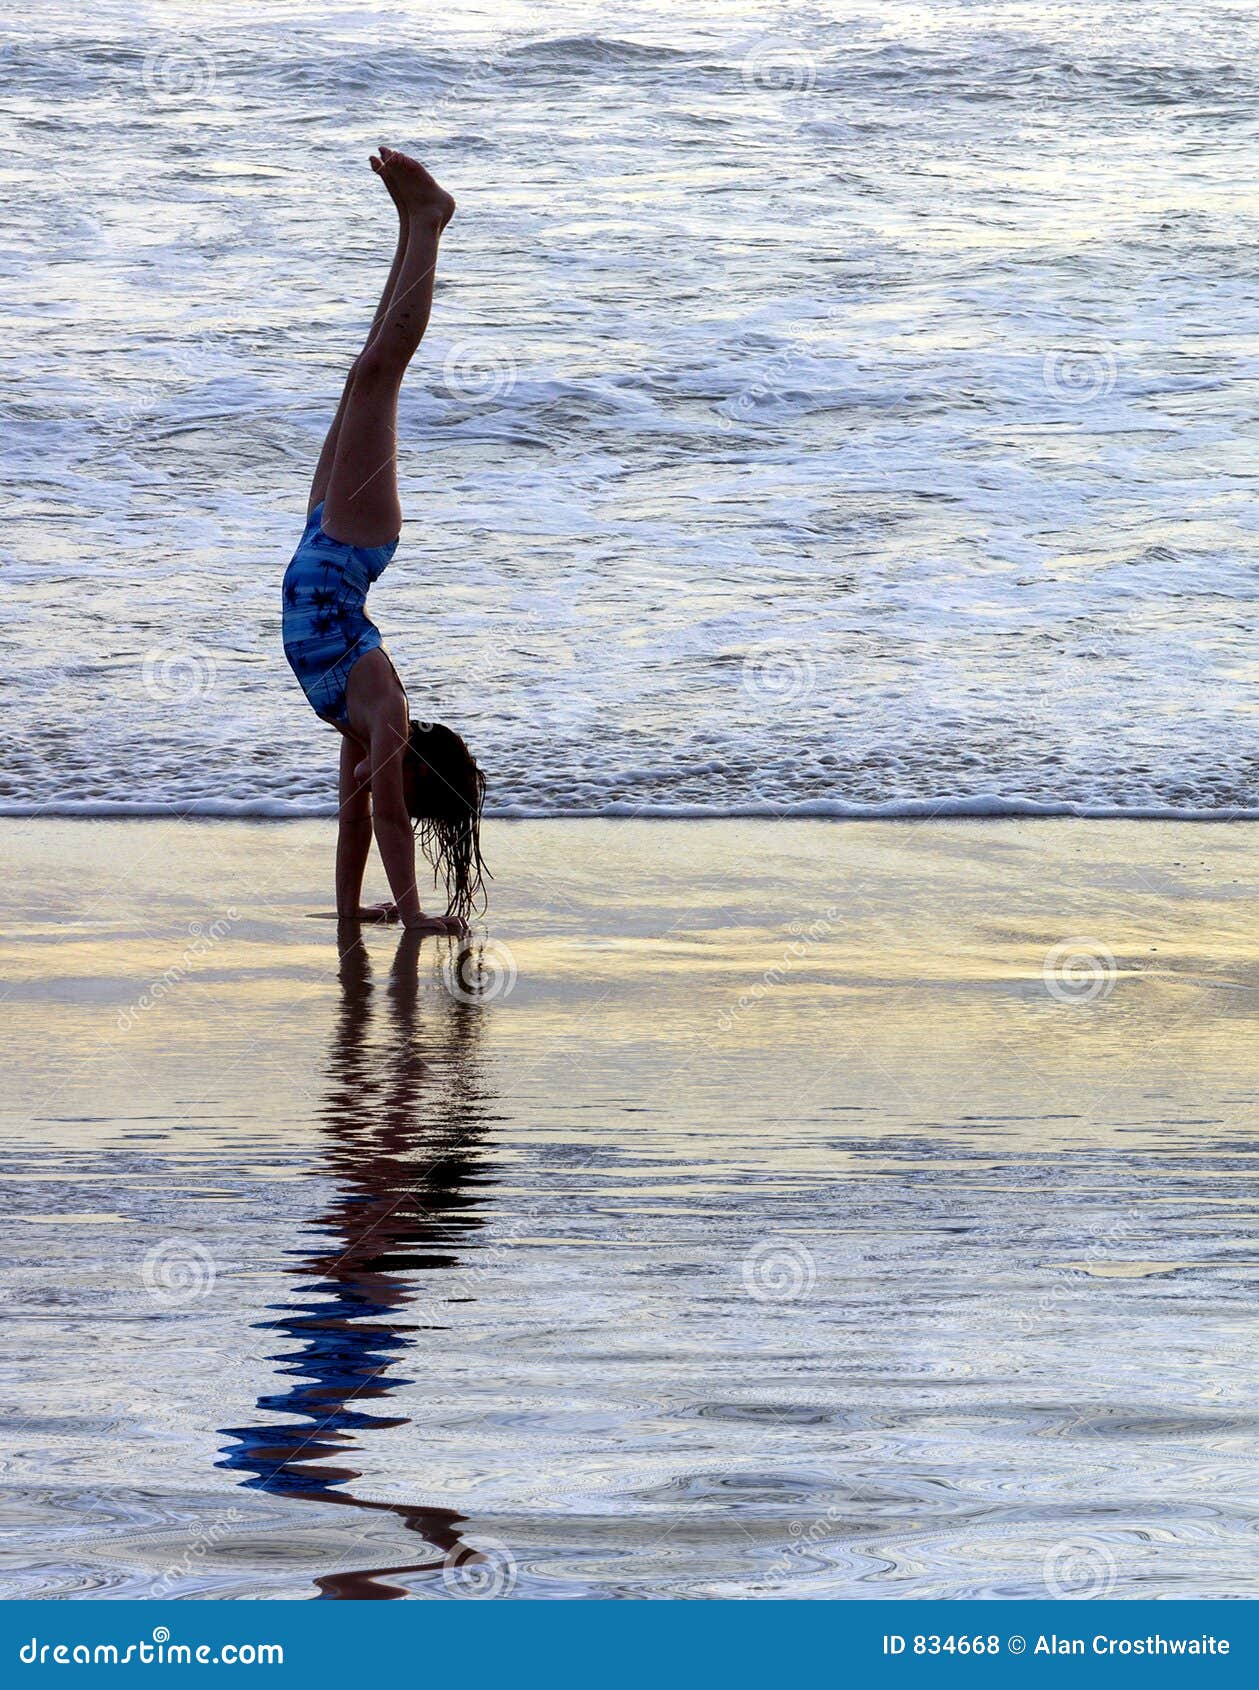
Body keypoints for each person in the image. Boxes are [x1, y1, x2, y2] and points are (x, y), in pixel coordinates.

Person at [282, 148, 487, 933]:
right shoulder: (386, 710)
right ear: (411, 768)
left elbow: (356, 822)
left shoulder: (355, 724)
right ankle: (428, 223)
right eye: (388, 777)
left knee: (358, 377)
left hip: (317, 543)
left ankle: (412, 223)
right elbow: (391, 823)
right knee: (377, 377)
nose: (372, 783)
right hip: (352, 548)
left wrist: (348, 915)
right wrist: (415, 916)